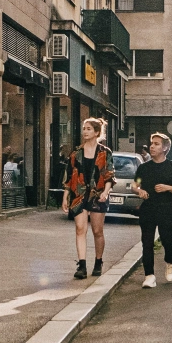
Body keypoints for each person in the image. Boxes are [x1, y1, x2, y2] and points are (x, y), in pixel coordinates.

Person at [134, 131, 172, 288]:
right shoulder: (143, 168)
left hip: (165, 208)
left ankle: (170, 262)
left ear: (165, 148)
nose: (152, 146)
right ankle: (149, 276)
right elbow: (135, 184)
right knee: (147, 242)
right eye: (152, 144)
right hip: (148, 209)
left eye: (156, 144)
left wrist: (167, 188)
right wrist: (139, 191)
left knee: (167, 240)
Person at [64, 118, 114, 280]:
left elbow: (109, 175)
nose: (85, 131)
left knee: (97, 231)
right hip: (78, 195)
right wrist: (65, 196)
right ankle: (82, 265)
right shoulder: (76, 153)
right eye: (84, 128)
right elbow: (69, 177)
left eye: (89, 129)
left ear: (97, 132)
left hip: (97, 195)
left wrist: (105, 192)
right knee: (80, 229)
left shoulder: (105, 152)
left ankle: (98, 262)